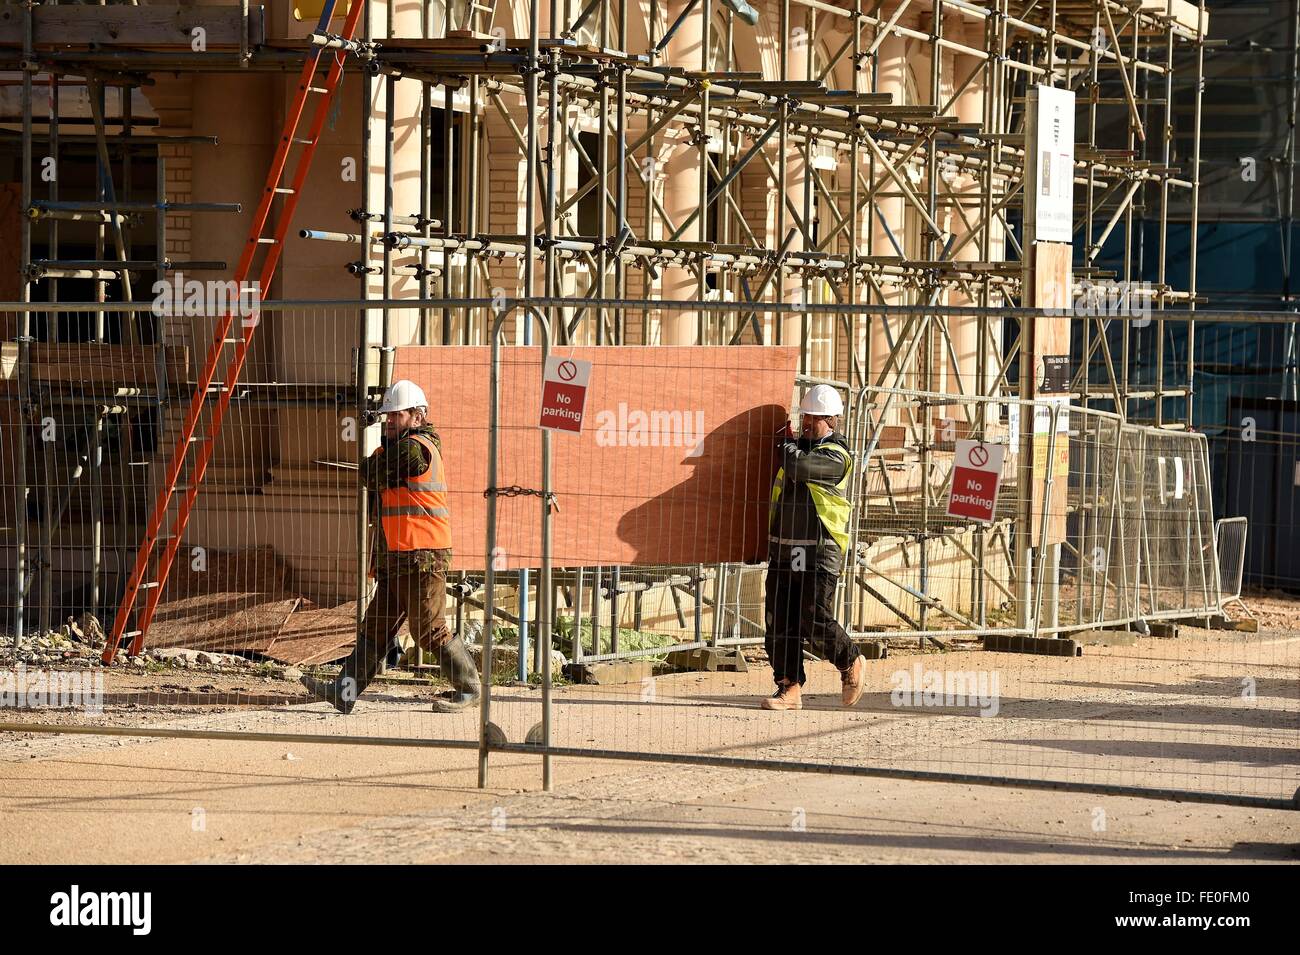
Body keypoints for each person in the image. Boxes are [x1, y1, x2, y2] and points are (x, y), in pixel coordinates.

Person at [300, 379, 481, 714]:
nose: (389, 421)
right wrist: (376, 459)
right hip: (398, 557)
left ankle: (469, 687)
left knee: (429, 630)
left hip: (423, 556)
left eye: (396, 416)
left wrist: (375, 461)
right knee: (376, 628)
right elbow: (374, 471)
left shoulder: (416, 449)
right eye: (388, 416)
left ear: (417, 416)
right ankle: (345, 692)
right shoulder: (397, 448)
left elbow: (373, 472)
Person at [762, 384, 864, 711]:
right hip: (785, 548)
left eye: (814, 418)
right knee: (780, 622)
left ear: (831, 421)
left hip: (819, 551)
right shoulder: (796, 448)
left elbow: (800, 466)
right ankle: (788, 688)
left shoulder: (837, 455)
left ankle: (850, 661)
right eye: (805, 416)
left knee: (813, 618)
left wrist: (787, 445)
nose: (807, 422)